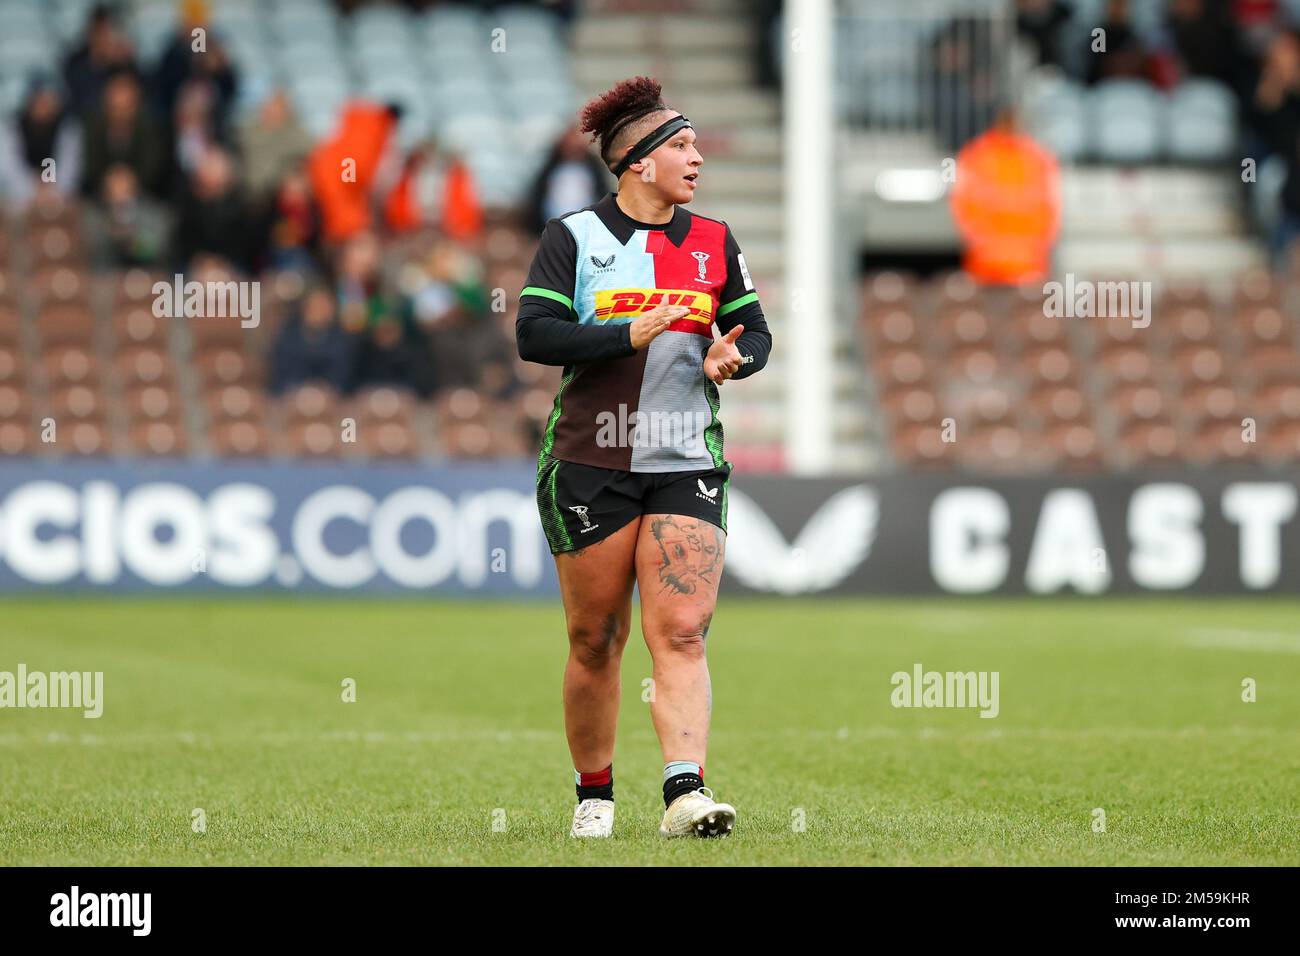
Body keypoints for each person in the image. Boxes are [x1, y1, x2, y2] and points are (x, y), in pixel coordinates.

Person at [515, 76, 772, 840]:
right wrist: (624, 336)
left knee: (684, 631)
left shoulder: (714, 240)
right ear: (636, 162)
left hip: (685, 457)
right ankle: (594, 793)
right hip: (590, 460)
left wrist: (735, 360)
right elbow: (535, 336)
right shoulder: (572, 238)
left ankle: (685, 791)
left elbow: (754, 330)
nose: (697, 158)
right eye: (682, 146)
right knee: (596, 638)